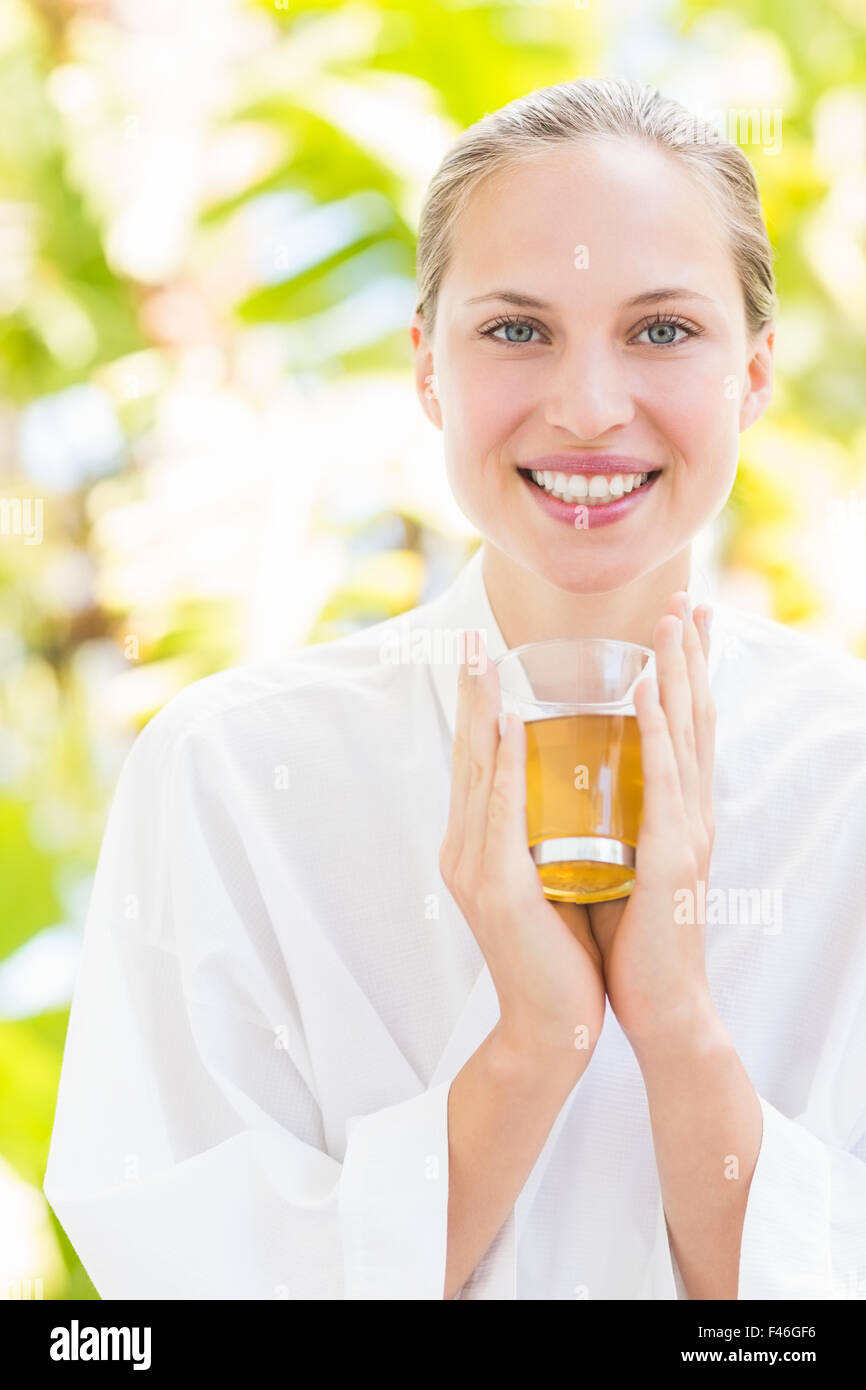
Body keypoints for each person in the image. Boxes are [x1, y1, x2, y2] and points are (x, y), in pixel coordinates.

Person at [43, 76, 866, 1301]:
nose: (589, 409)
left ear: (751, 372)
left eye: (660, 330)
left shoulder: (843, 769)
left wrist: (677, 1025)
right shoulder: (227, 775)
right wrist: (533, 1044)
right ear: (427, 368)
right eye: (516, 330)